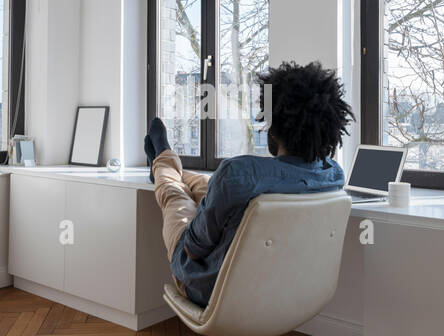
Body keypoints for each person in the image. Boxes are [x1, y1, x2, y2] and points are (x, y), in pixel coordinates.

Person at [145, 60, 353, 306]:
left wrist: (200, 219)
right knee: (205, 182)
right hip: (283, 289)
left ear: (273, 129)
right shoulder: (332, 175)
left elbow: (193, 249)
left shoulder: (238, 172)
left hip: (211, 287)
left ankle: (163, 161)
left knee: (175, 197)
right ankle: (165, 167)